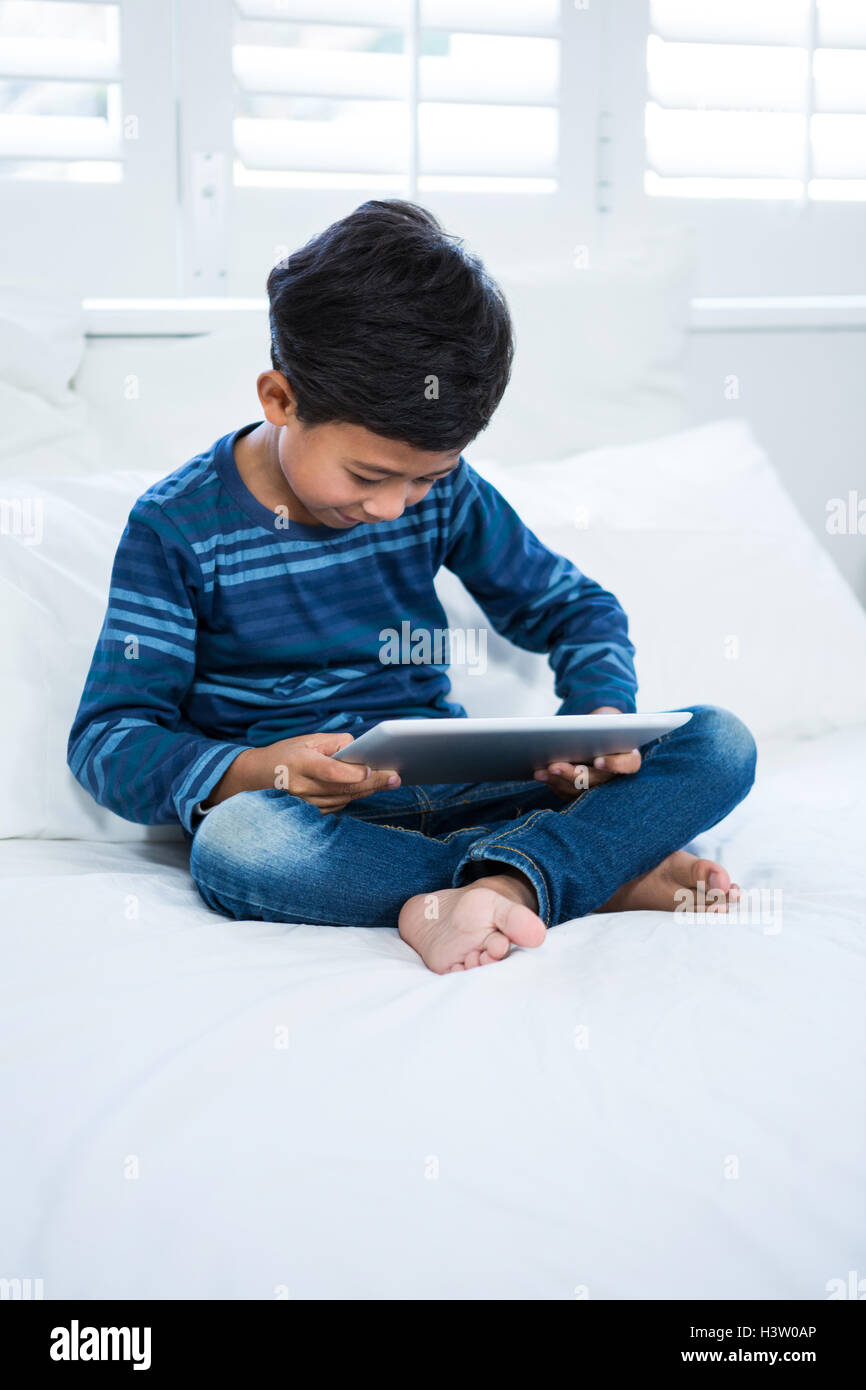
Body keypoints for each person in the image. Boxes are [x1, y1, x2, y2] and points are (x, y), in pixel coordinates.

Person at [67, 199, 757, 974]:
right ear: (280, 399)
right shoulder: (177, 528)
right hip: (318, 819)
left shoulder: (453, 495)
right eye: (367, 475)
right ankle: (574, 873)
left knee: (718, 740)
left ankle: (506, 881)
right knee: (238, 848)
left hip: (476, 789)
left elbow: (577, 609)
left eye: (426, 478)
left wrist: (596, 725)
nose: (392, 507)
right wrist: (261, 770)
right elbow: (110, 740)